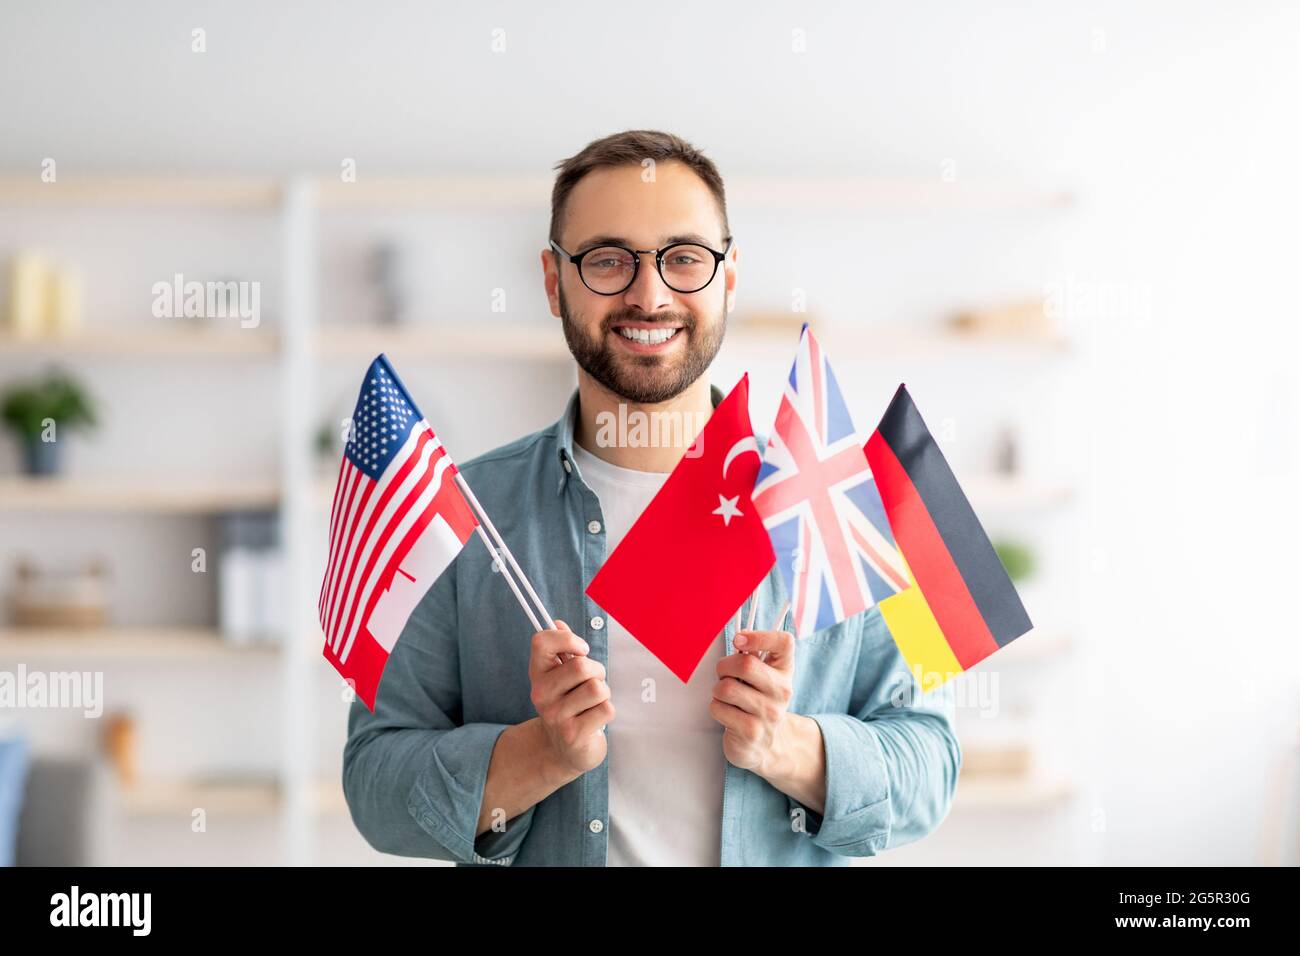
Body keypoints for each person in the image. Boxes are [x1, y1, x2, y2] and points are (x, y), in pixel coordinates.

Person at [342, 129, 961, 866]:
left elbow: (932, 764)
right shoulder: (463, 514)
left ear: (728, 276)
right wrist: (540, 755)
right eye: (608, 260)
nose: (650, 293)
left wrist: (787, 746)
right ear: (552, 280)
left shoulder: (845, 494)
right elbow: (374, 782)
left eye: (684, 258)